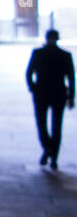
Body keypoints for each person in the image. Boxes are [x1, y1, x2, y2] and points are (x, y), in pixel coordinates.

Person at [26, 29, 75, 169]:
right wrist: (71, 96)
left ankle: (50, 151)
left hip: (43, 93)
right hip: (56, 93)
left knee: (45, 124)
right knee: (54, 126)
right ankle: (51, 152)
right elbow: (71, 78)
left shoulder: (39, 53)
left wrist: (33, 88)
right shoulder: (64, 55)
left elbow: (29, 73)